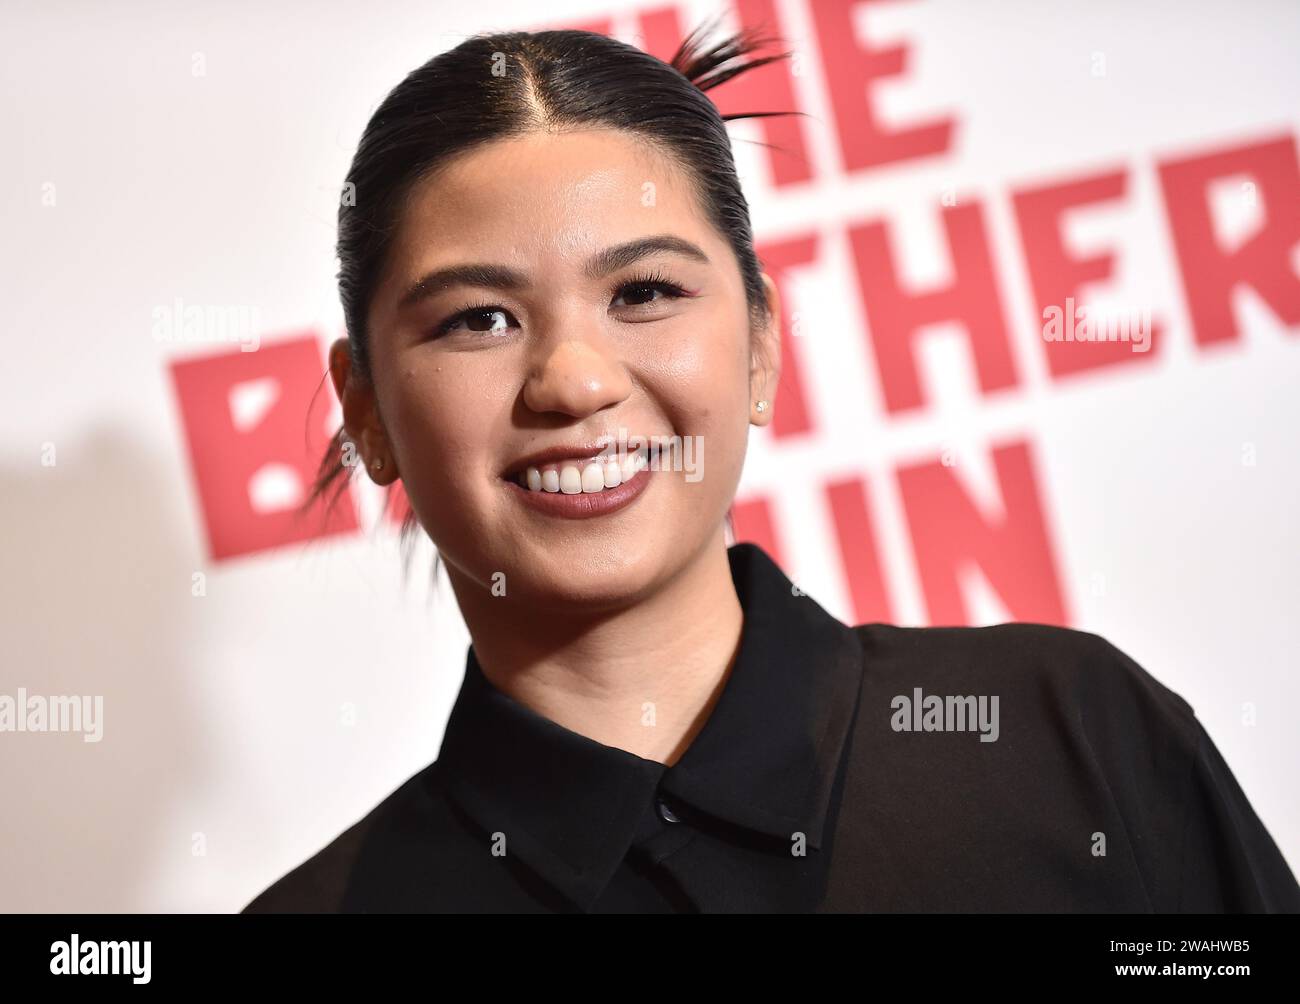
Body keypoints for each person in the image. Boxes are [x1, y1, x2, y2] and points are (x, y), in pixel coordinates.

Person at [241, 22, 1300, 913]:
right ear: (367, 410)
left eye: (645, 292)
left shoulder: (1075, 737)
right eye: (479, 317)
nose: (570, 379)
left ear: (759, 342)